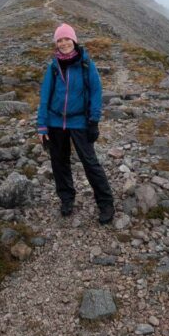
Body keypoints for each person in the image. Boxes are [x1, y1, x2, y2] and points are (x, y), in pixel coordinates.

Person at [37, 23, 115, 224]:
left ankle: (106, 203)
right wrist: (42, 125)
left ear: (74, 40)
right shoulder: (53, 67)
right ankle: (67, 199)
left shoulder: (86, 63)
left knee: (90, 163)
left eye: (66, 39)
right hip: (55, 122)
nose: (63, 43)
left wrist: (94, 121)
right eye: (59, 40)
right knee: (59, 163)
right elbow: (45, 96)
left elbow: (97, 92)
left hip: (80, 121)